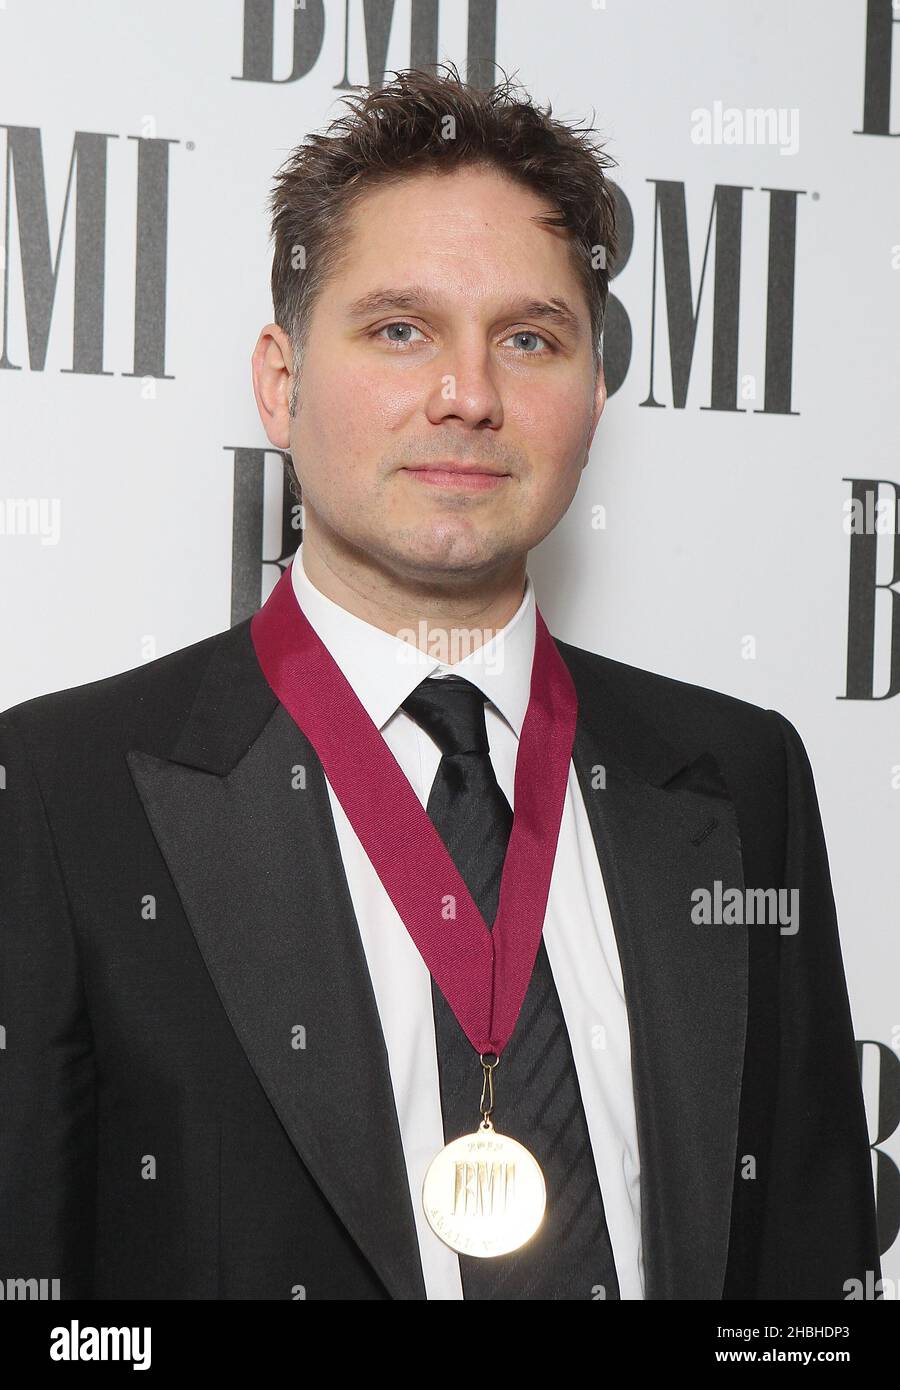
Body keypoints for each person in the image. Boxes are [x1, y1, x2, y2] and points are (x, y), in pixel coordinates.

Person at [0, 65, 880, 1301]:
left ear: (592, 392)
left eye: (530, 338)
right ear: (279, 380)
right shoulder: (60, 789)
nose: (468, 396)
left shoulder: (741, 779)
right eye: (400, 328)